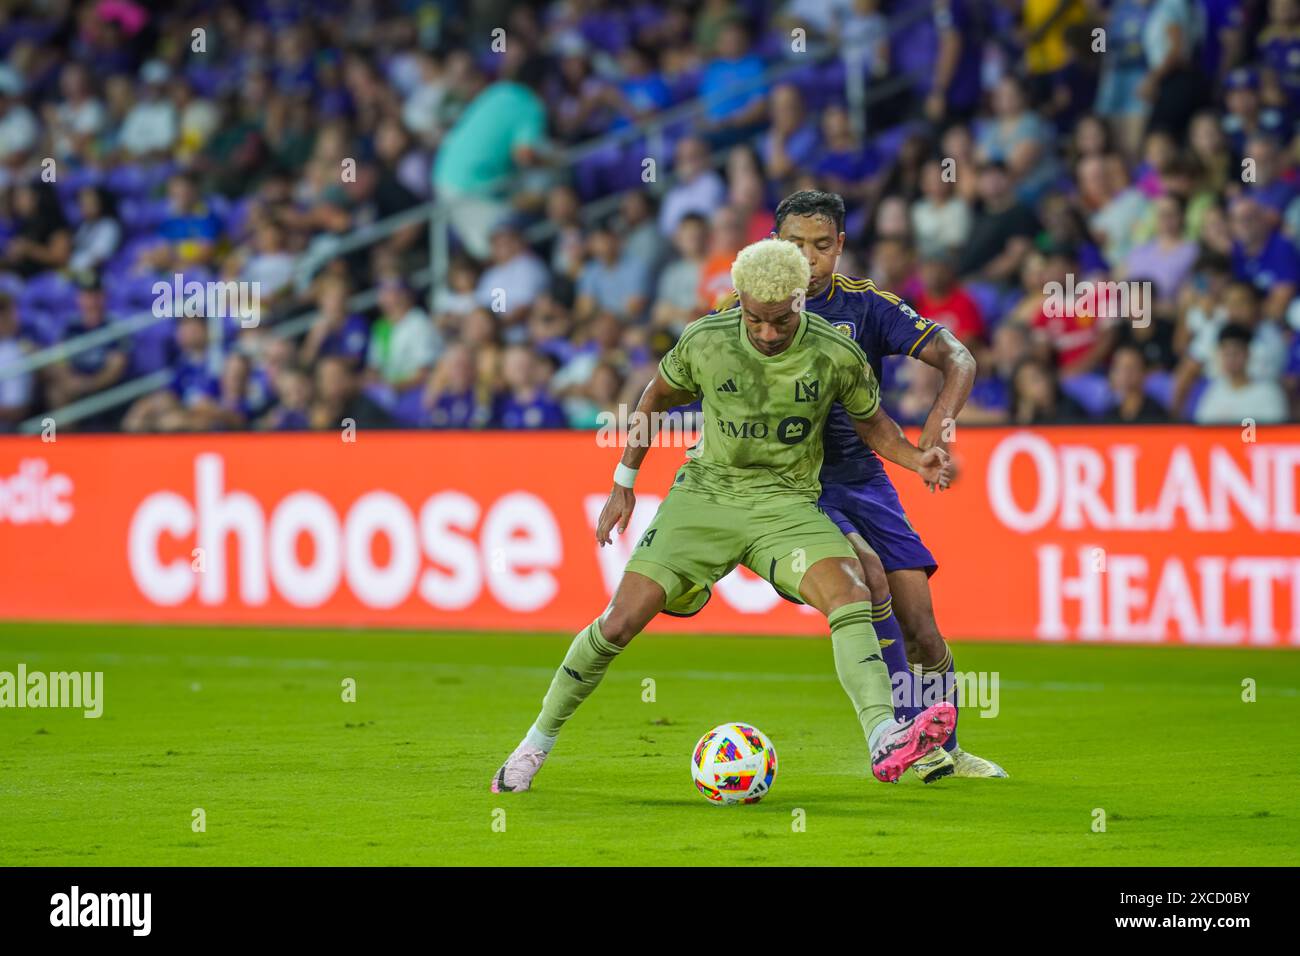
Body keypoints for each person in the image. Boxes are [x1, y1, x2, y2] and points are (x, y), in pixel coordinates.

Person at [491, 238, 957, 793]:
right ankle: (534, 745)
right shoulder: (705, 341)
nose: (766, 333)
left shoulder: (837, 353)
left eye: (780, 320)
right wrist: (623, 483)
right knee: (618, 623)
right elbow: (653, 398)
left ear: (800, 300)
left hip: (786, 506)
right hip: (705, 499)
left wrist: (915, 458)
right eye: (756, 320)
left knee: (852, 593)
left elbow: (872, 425)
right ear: (738, 299)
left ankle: (884, 737)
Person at [770, 190, 1005, 780]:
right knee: (865, 571)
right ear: (776, 246)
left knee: (922, 627)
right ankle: (902, 738)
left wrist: (937, 430)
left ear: (840, 246)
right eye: (796, 245)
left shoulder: (868, 307)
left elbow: (959, 357)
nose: (809, 257)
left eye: (821, 246)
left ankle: (946, 746)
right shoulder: (754, 315)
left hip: (865, 477)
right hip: (795, 484)